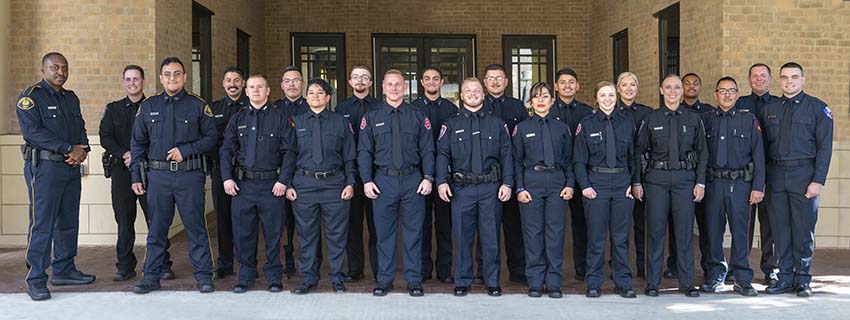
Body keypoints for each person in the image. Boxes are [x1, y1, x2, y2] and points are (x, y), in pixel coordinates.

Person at [130, 57, 217, 294]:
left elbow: (211, 137)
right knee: (157, 229)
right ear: (161, 78)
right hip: (158, 177)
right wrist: (136, 176)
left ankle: (204, 276)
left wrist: (186, 150)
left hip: (189, 175)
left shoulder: (198, 105)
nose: (172, 78)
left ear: (185, 77)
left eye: (177, 74)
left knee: (195, 227)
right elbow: (137, 144)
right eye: (167, 74)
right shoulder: (148, 106)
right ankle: (151, 277)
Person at [18, 52, 94, 301]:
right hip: (45, 168)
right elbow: (33, 133)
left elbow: (80, 128)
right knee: (43, 223)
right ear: (43, 70)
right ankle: (36, 279)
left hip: (70, 167)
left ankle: (64, 270)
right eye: (55, 68)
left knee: (68, 220)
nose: (60, 72)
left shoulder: (71, 98)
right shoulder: (31, 98)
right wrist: (68, 148)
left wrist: (82, 150)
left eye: (64, 68)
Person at [358, 69, 435, 297]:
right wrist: (366, 181)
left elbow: (428, 150)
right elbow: (364, 151)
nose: (394, 88)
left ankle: (414, 280)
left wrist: (428, 177)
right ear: (383, 87)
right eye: (389, 84)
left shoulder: (418, 116)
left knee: (414, 233)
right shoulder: (372, 117)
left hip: (413, 180)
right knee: (384, 234)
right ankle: (384, 280)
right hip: (383, 180)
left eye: (398, 84)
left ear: (405, 87)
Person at [436, 77, 512, 297]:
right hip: (462, 189)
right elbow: (442, 154)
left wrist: (508, 183)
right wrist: (441, 181)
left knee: (491, 238)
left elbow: (507, 155)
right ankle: (462, 280)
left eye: (476, 90)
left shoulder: (497, 124)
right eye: (467, 90)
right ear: (461, 96)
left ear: (483, 93)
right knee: (462, 237)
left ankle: (492, 281)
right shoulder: (451, 124)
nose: (472, 93)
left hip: (490, 188)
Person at [763, 62, 832, 298]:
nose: (789, 81)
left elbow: (825, 148)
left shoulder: (818, 108)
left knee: (803, 230)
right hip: (776, 175)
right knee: (779, 230)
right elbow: (762, 148)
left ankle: (802, 279)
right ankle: (784, 277)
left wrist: (818, 180)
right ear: (779, 81)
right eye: (784, 77)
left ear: (803, 79)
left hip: (804, 175)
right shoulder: (770, 109)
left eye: (794, 77)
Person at [219, 74, 293, 294]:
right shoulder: (238, 119)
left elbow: (290, 151)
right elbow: (226, 150)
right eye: (252, 87)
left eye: (260, 87)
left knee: (274, 234)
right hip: (243, 186)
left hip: (271, 186)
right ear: (246, 91)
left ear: (268, 91)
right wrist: (227, 177)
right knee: (243, 234)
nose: (256, 90)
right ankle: (245, 275)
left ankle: (274, 276)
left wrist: (283, 180)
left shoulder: (280, 118)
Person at [100, 65, 174, 282]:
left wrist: (139, 156)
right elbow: (105, 137)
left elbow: (161, 137)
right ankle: (125, 266)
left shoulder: (154, 107)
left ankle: (162, 264)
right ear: (123, 82)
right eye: (128, 79)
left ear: (143, 82)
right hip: (122, 172)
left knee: (156, 219)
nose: (132, 83)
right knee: (124, 220)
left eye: (136, 79)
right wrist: (125, 154)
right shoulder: (113, 109)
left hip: (149, 171)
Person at [636, 74, 708, 297]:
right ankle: (652, 283)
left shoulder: (693, 119)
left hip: (684, 179)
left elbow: (703, 152)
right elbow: (639, 150)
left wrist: (700, 182)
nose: (673, 91)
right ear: (661, 90)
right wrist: (638, 181)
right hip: (656, 179)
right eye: (668, 87)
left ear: (682, 90)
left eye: (677, 87)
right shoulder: (651, 119)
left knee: (684, 233)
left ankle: (687, 283)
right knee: (655, 232)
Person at [285, 79, 356, 294]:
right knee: (307, 235)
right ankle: (308, 278)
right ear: (306, 97)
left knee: (336, 235)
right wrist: (288, 184)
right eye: (311, 92)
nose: (315, 96)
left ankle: (337, 278)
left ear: (328, 97)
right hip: (304, 185)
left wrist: (350, 183)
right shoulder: (296, 122)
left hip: (334, 184)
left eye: (319, 92)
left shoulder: (340, 122)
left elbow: (349, 156)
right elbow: (289, 156)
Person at [700, 76, 764, 297]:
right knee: (713, 231)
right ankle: (716, 275)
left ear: (737, 94)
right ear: (716, 94)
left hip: (740, 185)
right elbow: (699, 154)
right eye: (722, 91)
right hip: (713, 183)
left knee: (741, 232)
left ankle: (742, 278)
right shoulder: (706, 120)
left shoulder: (749, 120)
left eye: (731, 91)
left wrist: (758, 187)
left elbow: (759, 156)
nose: (727, 95)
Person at [573, 81, 638, 298]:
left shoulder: (627, 124)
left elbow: (634, 158)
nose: (607, 99)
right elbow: (579, 160)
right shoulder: (587, 124)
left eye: (611, 95)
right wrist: (585, 186)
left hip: (622, 184)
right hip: (596, 184)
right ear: (596, 98)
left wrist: (633, 183)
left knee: (621, 238)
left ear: (616, 97)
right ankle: (593, 283)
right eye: (603, 95)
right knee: (596, 237)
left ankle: (623, 282)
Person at [513, 82, 574, 298]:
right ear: (530, 102)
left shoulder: (562, 128)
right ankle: (536, 282)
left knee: (555, 233)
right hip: (532, 182)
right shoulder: (522, 128)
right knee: (533, 233)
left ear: (552, 100)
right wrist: (519, 188)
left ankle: (554, 282)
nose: (540, 100)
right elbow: (515, 160)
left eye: (545, 96)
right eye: (536, 96)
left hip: (557, 181)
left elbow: (569, 160)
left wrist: (569, 184)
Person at [664, 72, 715, 280]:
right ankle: (675, 264)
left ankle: (708, 266)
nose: (691, 86)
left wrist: (701, 179)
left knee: (705, 225)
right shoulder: (672, 110)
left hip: (703, 176)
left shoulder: (710, 112)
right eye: (687, 83)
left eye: (696, 83)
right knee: (677, 225)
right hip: (679, 177)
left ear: (700, 87)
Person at [481, 63, 529, 284]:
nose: (495, 82)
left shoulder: (517, 107)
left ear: (506, 81)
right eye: (491, 78)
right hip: (486, 175)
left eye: (499, 77)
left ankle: (517, 270)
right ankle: (483, 271)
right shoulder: (478, 105)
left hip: (511, 173)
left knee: (513, 226)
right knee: (485, 227)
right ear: (485, 82)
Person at [412, 67, 458, 284]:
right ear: (422, 82)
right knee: (421, 225)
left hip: (444, 177)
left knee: (444, 225)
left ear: (441, 82)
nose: (431, 82)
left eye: (436, 79)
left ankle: (444, 269)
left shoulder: (451, 109)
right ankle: (423, 268)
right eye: (427, 78)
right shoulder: (413, 109)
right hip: (418, 175)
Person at [335, 64, 380, 282]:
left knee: (377, 226)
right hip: (350, 176)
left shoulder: (380, 107)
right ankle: (355, 270)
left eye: (364, 77)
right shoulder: (340, 109)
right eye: (356, 77)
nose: (360, 80)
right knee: (352, 226)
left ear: (370, 82)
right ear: (350, 81)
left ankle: (379, 270)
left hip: (376, 175)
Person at [735, 63, 780, 286]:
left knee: (770, 223)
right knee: (744, 223)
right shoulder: (740, 103)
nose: (759, 79)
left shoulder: (779, 104)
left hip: (772, 172)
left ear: (770, 79)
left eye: (763, 75)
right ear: (749, 79)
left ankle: (771, 268)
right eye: (754, 75)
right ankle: (740, 266)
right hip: (745, 172)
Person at [551, 68, 593, 281]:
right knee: (553, 226)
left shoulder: (587, 112)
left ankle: (582, 269)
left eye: (571, 82)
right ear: (556, 86)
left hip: (582, 176)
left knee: (582, 223)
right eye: (563, 82)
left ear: (578, 86)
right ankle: (552, 271)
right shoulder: (547, 110)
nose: (567, 86)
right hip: (556, 175)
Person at [273, 65, 315, 277]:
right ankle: (286, 261)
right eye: (287, 81)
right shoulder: (274, 109)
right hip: (279, 174)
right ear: (282, 85)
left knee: (308, 223)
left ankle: (312, 264)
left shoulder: (311, 107)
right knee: (283, 222)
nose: (292, 85)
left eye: (296, 80)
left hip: (305, 172)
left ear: (302, 84)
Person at [208, 66, 249, 279]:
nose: (232, 84)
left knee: (245, 219)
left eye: (236, 80)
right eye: (228, 80)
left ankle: (246, 262)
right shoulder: (213, 109)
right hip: (220, 171)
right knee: (223, 218)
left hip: (246, 171)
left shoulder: (251, 106)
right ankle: (224, 262)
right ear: (223, 84)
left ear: (243, 83)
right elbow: (207, 139)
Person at [615, 72, 653, 278]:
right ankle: (618, 266)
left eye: (632, 85)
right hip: (619, 174)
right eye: (624, 85)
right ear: (618, 88)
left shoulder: (648, 113)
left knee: (642, 223)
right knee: (618, 226)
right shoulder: (611, 111)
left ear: (637, 88)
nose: (628, 89)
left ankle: (642, 266)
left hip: (643, 174)